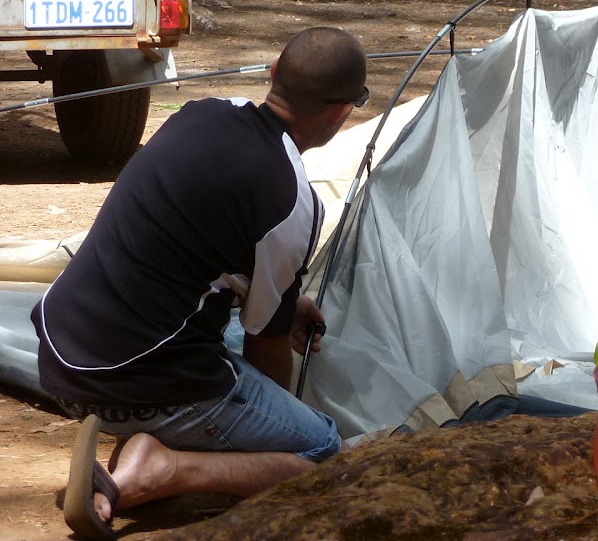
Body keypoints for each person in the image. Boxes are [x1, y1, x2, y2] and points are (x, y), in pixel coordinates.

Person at [33, 27, 368, 540]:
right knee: (320, 451)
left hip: (61, 349)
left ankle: (153, 437)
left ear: (273, 75)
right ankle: (159, 470)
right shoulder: (292, 202)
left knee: (227, 331)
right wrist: (270, 427)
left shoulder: (204, 111)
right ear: (341, 112)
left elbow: (186, 246)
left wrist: (283, 300)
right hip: (124, 381)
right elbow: (267, 350)